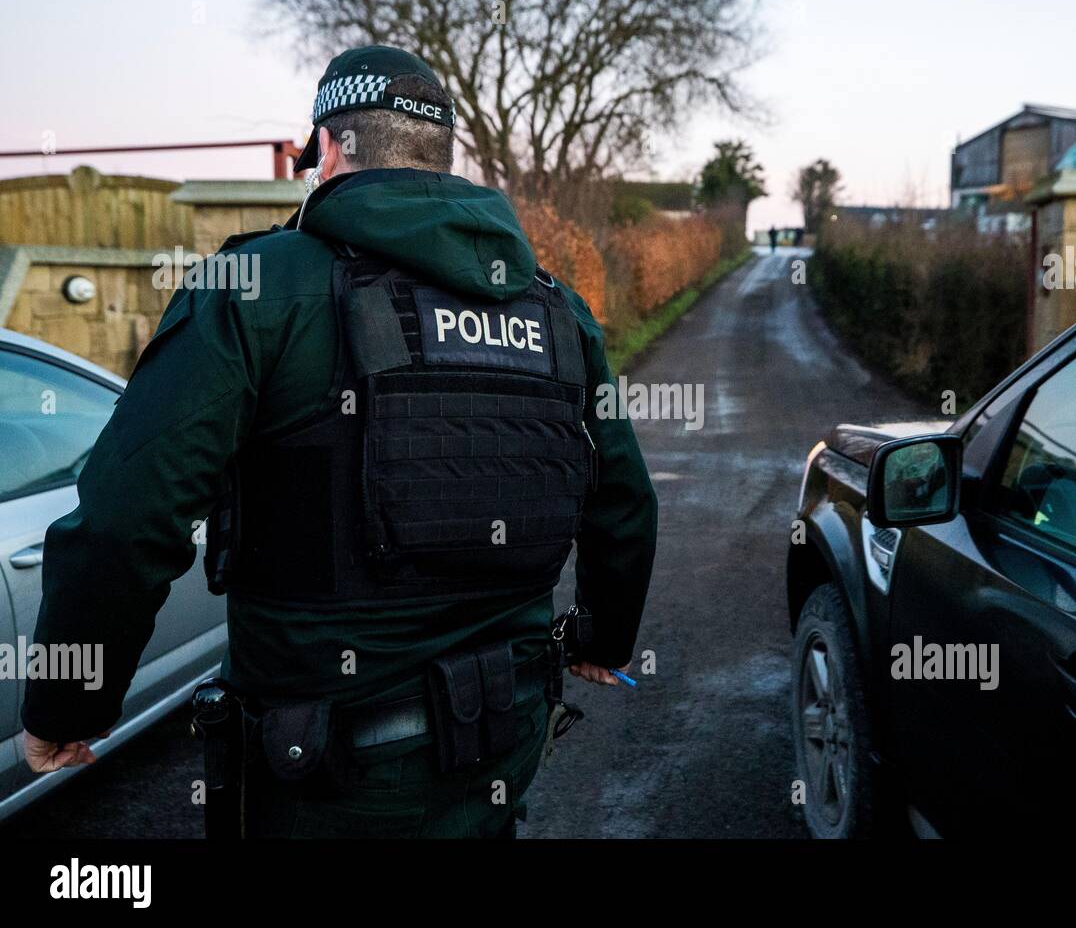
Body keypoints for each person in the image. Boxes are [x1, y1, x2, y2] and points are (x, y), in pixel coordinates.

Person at [20, 45, 658, 838]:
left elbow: (129, 517)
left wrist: (67, 705)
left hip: (323, 766)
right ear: (438, 155)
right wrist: (604, 639)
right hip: (506, 730)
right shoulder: (558, 309)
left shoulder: (254, 288)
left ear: (327, 147)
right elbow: (625, 498)